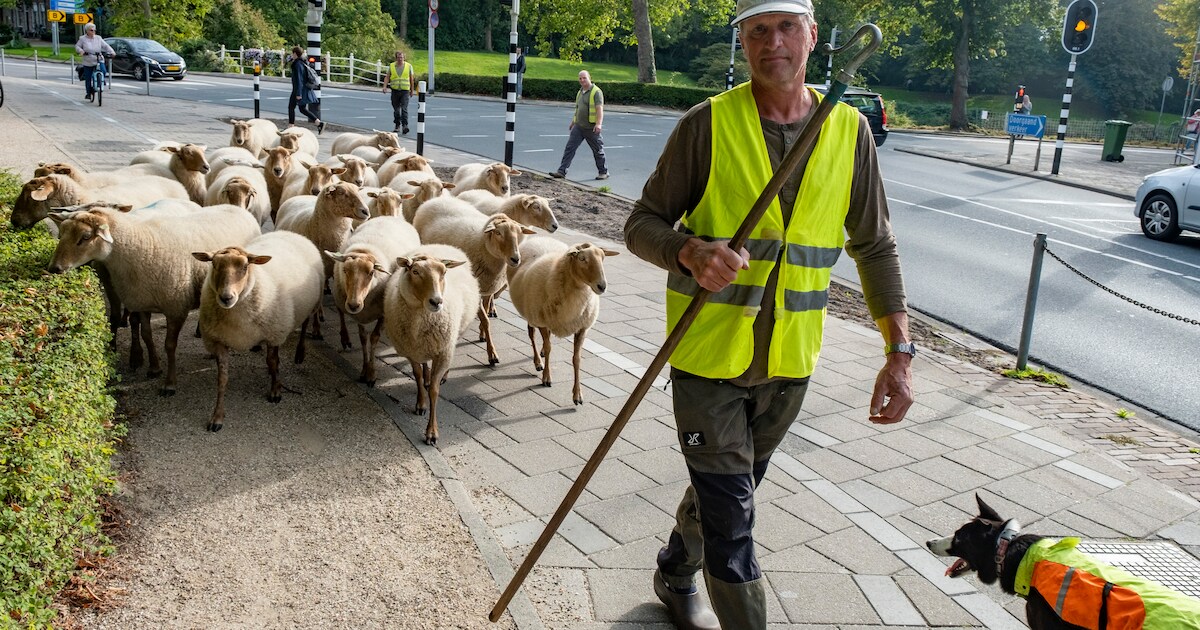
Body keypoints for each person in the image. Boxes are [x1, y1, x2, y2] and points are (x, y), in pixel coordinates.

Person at [623, 0, 914, 627]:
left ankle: (675, 570)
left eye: (786, 26)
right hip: (707, 357)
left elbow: (875, 246)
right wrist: (688, 252)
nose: (772, 41)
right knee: (733, 522)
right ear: (743, 41)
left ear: (812, 35)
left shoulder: (849, 130)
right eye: (757, 30)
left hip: (789, 365)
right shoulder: (708, 124)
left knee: (731, 491)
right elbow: (641, 223)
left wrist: (899, 353)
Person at [551, 70, 608, 180]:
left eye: (584, 78)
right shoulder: (580, 92)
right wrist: (573, 122)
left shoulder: (596, 92)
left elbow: (599, 109)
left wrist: (598, 124)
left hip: (591, 128)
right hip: (578, 126)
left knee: (598, 150)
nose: (582, 80)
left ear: (589, 78)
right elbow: (578, 109)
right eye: (580, 78)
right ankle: (561, 171)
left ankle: (603, 172)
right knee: (569, 148)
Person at [288, 46, 324, 134]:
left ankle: (291, 126)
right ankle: (319, 123)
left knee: (291, 107)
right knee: (302, 109)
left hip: (298, 90)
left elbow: (299, 79)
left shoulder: (297, 64)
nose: (291, 55)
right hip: (302, 89)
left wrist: (298, 93)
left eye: (292, 53)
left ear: (295, 53)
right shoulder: (302, 62)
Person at [74, 23, 114, 102]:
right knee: (88, 77)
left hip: (98, 58)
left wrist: (112, 52)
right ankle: (88, 93)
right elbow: (77, 46)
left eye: (94, 30)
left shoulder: (98, 38)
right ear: (87, 31)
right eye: (91, 30)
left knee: (103, 70)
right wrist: (81, 51)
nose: (93, 32)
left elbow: (106, 46)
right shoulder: (82, 39)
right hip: (88, 60)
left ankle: (100, 82)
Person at [384, 50, 416, 134]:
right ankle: (397, 125)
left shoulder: (409, 66)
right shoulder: (392, 66)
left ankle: (405, 126)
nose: (400, 59)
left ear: (404, 58)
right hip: (395, 91)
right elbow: (387, 77)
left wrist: (412, 90)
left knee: (404, 109)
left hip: (405, 91)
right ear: (396, 58)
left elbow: (411, 79)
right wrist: (385, 87)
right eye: (398, 57)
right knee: (396, 110)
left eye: (401, 57)